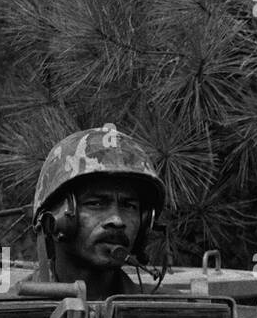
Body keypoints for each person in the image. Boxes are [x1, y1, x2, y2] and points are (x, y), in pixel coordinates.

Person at [27, 124, 165, 300]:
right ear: (53, 221)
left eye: (129, 206)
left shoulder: (165, 316)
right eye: (96, 203)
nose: (117, 220)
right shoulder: (4, 316)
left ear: (146, 222)